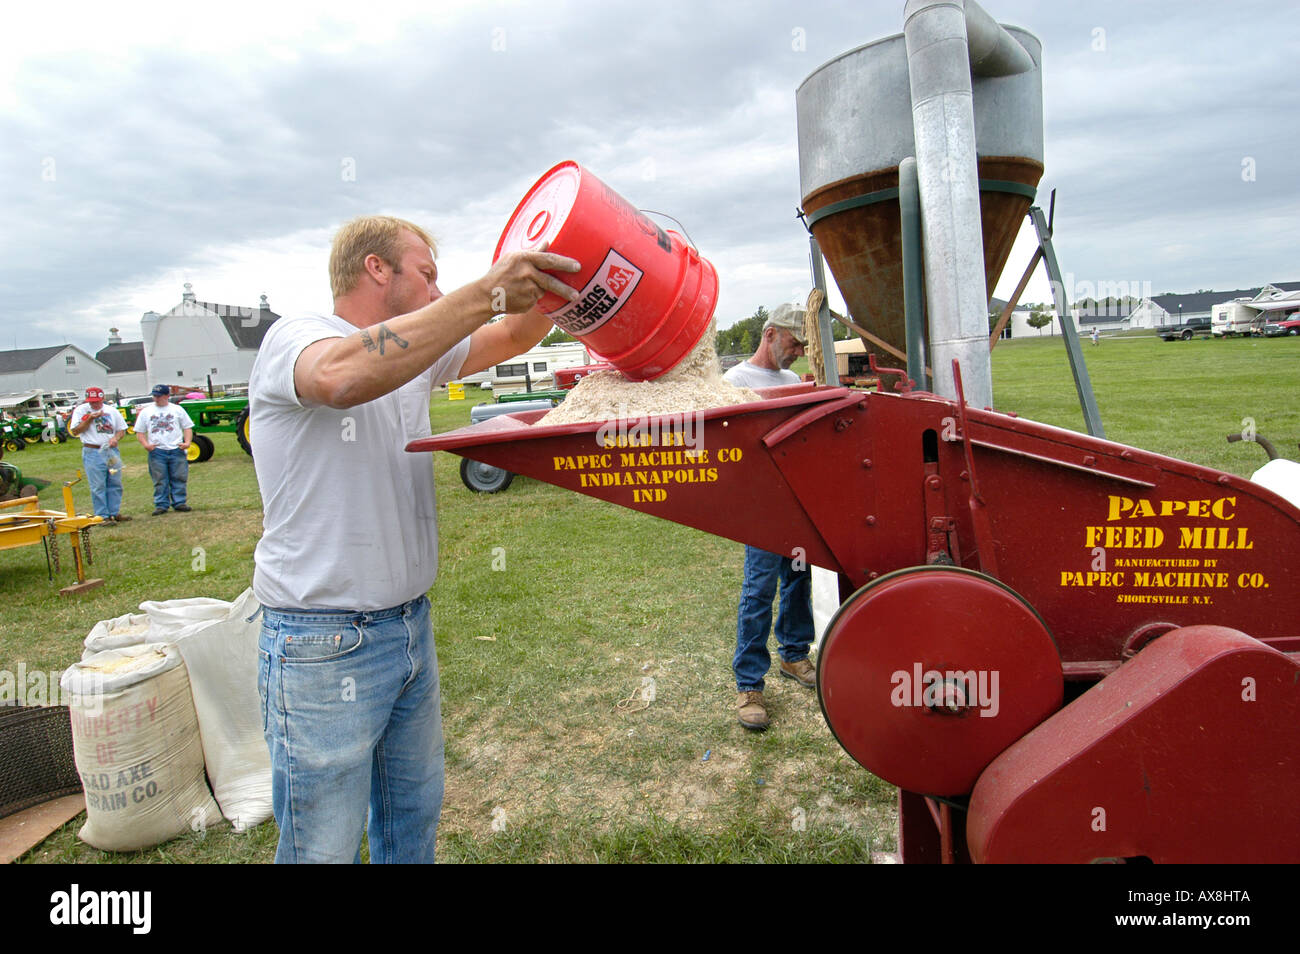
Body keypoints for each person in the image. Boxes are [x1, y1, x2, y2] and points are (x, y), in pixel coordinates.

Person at [249, 214, 579, 863]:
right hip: (322, 644)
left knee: (411, 824)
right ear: (377, 268)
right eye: (427, 273)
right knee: (323, 847)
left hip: (408, 628)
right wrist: (483, 292)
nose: (437, 289)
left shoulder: (417, 352)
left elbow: (512, 331)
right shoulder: (300, 337)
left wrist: (566, 277)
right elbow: (342, 378)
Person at [722, 303, 816, 730]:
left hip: (796, 500)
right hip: (762, 504)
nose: (797, 351)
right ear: (771, 334)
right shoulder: (736, 381)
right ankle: (749, 685)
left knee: (798, 580)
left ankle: (794, 656)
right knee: (759, 588)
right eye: (794, 343)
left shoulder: (792, 380)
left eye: (801, 345)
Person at [68, 386, 131, 524]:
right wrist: (90, 419)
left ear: (102, 399)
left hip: (110, 451)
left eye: (96, 401)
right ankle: (102, 515)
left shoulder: (112, 411)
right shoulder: (80, 411)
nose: (94, 404)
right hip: (92, 451)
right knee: (98, 484)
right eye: (91, 401)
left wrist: (115, 438)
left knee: (115, 482)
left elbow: (121, 430)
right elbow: (75, 431)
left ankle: (114, 512)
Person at [134, 384, 194, 515]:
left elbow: (187, 427)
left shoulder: (177, 410)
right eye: (154, 396)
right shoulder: (146, 411)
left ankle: (179, 502)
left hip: (176, 449)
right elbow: (139, 431)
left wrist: (187, 442)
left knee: (179, 477)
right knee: (160, 479)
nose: (156, 398)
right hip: (157, 450)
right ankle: (161, 504)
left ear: (167, 396)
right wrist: (146, 445)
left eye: (159, 396)